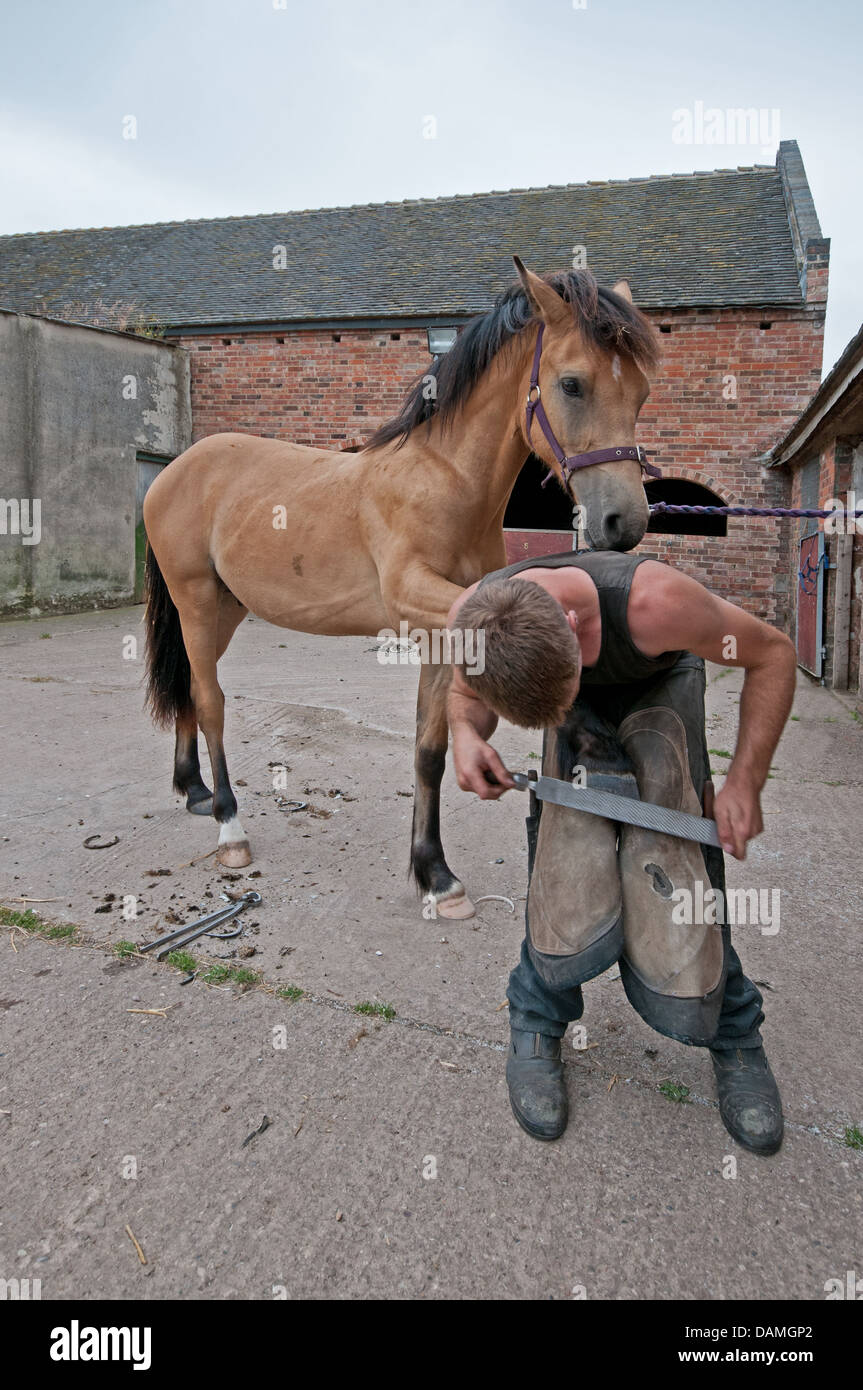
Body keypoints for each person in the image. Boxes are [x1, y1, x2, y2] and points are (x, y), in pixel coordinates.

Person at [446, 550, 797, 1155]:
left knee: (676, 852)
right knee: (563, 858)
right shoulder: (471, 618)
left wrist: (745, 779)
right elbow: (460, 691)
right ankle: (535, 1016)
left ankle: (736, 1032)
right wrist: (465, 733)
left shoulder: (658, 603)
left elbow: (774, 655)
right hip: (564, 676)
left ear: (575, 626)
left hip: (656, 675)